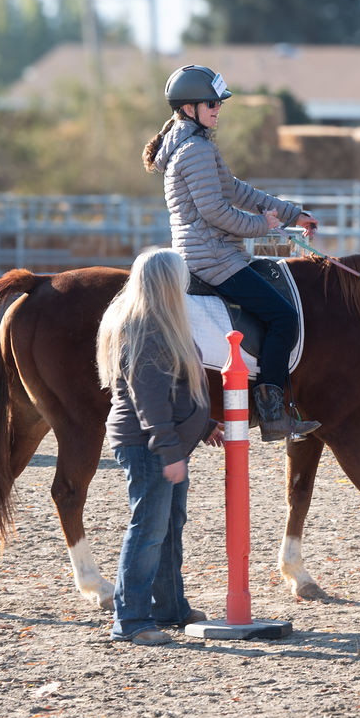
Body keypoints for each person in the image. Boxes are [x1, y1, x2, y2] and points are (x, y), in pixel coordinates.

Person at [143, 64, 321, 442]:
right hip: (212, 258)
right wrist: (265, 226)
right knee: (283, 318)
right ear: (188, 108)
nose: (217, 108)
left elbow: (237, 191)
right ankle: (273, 413)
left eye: (219, 103)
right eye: (211, 103)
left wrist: (291, 213)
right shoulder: (194, 150)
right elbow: (216, 213)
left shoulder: (195, 144)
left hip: (215, 252)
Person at [98, 248, 221, 645]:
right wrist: (169, 452)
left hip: (165, 443)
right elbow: (149, 401)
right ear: (168, 283)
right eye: (180, 278)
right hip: (149, 444)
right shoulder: (147, 328)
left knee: (169, 526)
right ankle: (130, 620)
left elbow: (178, 390)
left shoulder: (162, 323)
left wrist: (204, 425)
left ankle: (170, 607)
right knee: (148, 529)